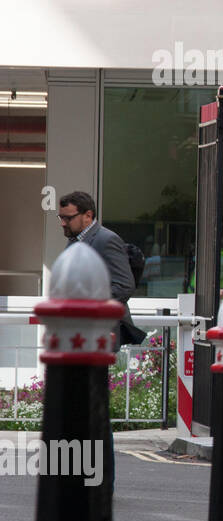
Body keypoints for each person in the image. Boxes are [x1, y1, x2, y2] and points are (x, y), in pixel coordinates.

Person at [58, 191, 145, 495]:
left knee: (94, 407)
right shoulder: (76, 242)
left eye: (68, 217)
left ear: (88, 216)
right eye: (60, 217)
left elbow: (124, 285)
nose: (62, 223)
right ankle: (81, 474)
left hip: (97, 334)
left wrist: (91, 315)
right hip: (78, 336)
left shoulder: (106, 240)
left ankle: (100, 479)